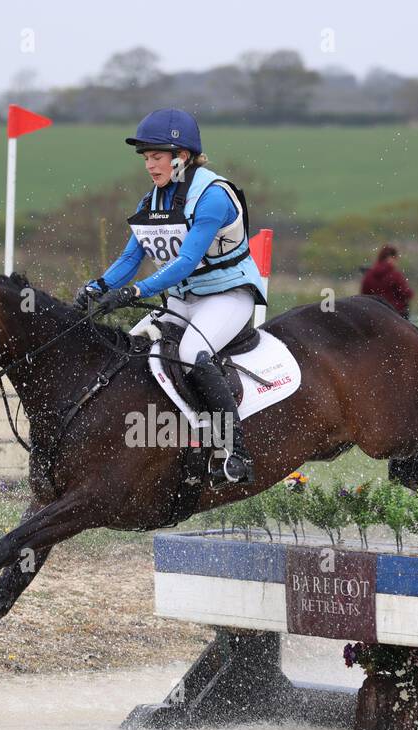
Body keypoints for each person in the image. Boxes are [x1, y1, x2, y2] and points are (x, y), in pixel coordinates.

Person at [73, 108, 265, 487]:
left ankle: (236, 452)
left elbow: (186, 261)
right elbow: (132, 257)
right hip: (183, 300)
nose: (149, 165)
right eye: (146, 158)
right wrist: (98, 286)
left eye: (156, 157)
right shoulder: (153, 201)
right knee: (138, 346)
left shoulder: (212, 197)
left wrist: (136, 291)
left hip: (228, 295)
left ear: (182, 157)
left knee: (193, 354)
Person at [360, 244, 414, 319]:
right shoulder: (394, 275)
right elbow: (407, 294)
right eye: (395, 259)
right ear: (391, 258)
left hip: (374, 316)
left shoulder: (369, 276)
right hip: (395, 316)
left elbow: (364, 295)